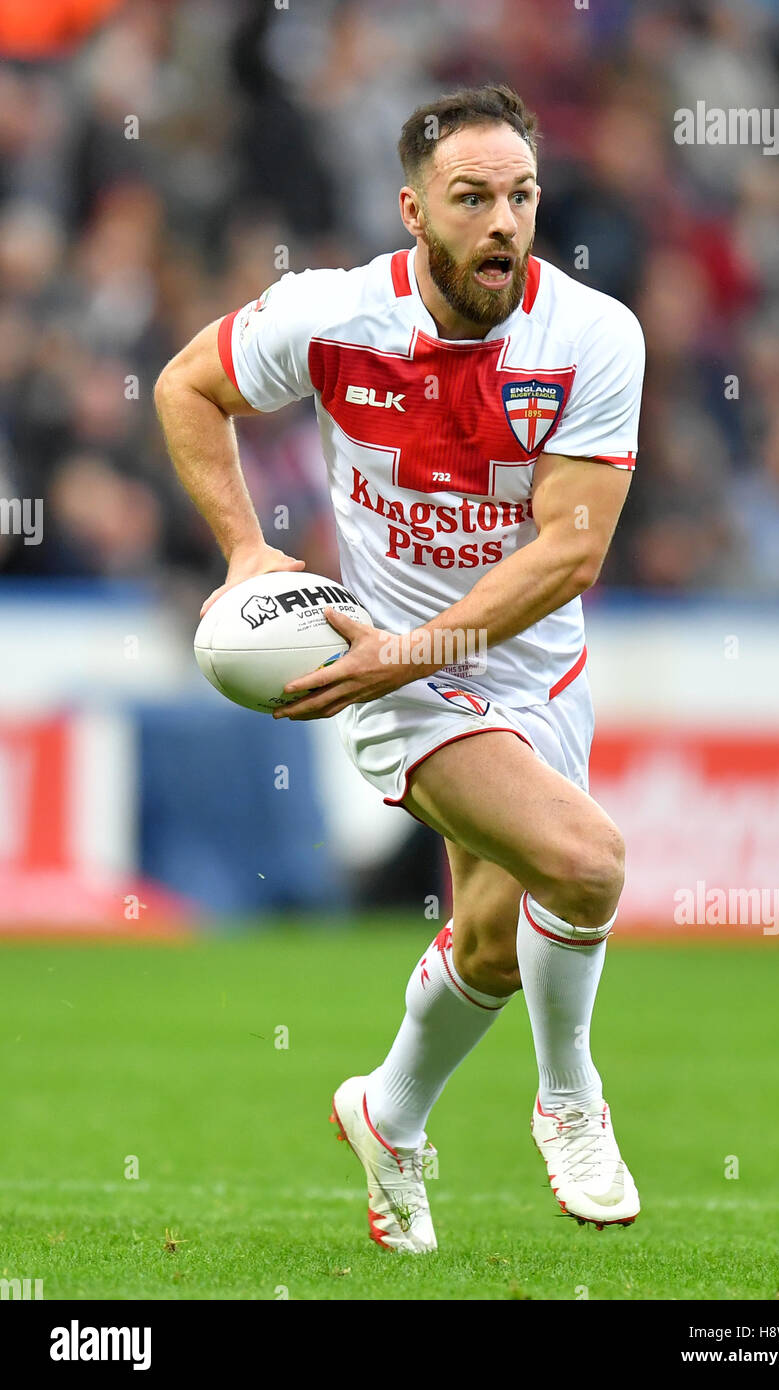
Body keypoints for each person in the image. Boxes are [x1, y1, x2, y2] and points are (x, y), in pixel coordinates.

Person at [155, 83, 645, 1252]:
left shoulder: (589, 334)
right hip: (395, 681)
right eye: (470, 198)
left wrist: (411, 651)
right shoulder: (330, 317)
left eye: (520, 195)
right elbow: (187, 386)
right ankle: (568, 1100)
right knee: (584, 867)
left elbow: (568, 557)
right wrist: (242, 548)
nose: (503, 223)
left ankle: (386, 1111)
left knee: (488, 943)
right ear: (412, 211)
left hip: (524, 670)